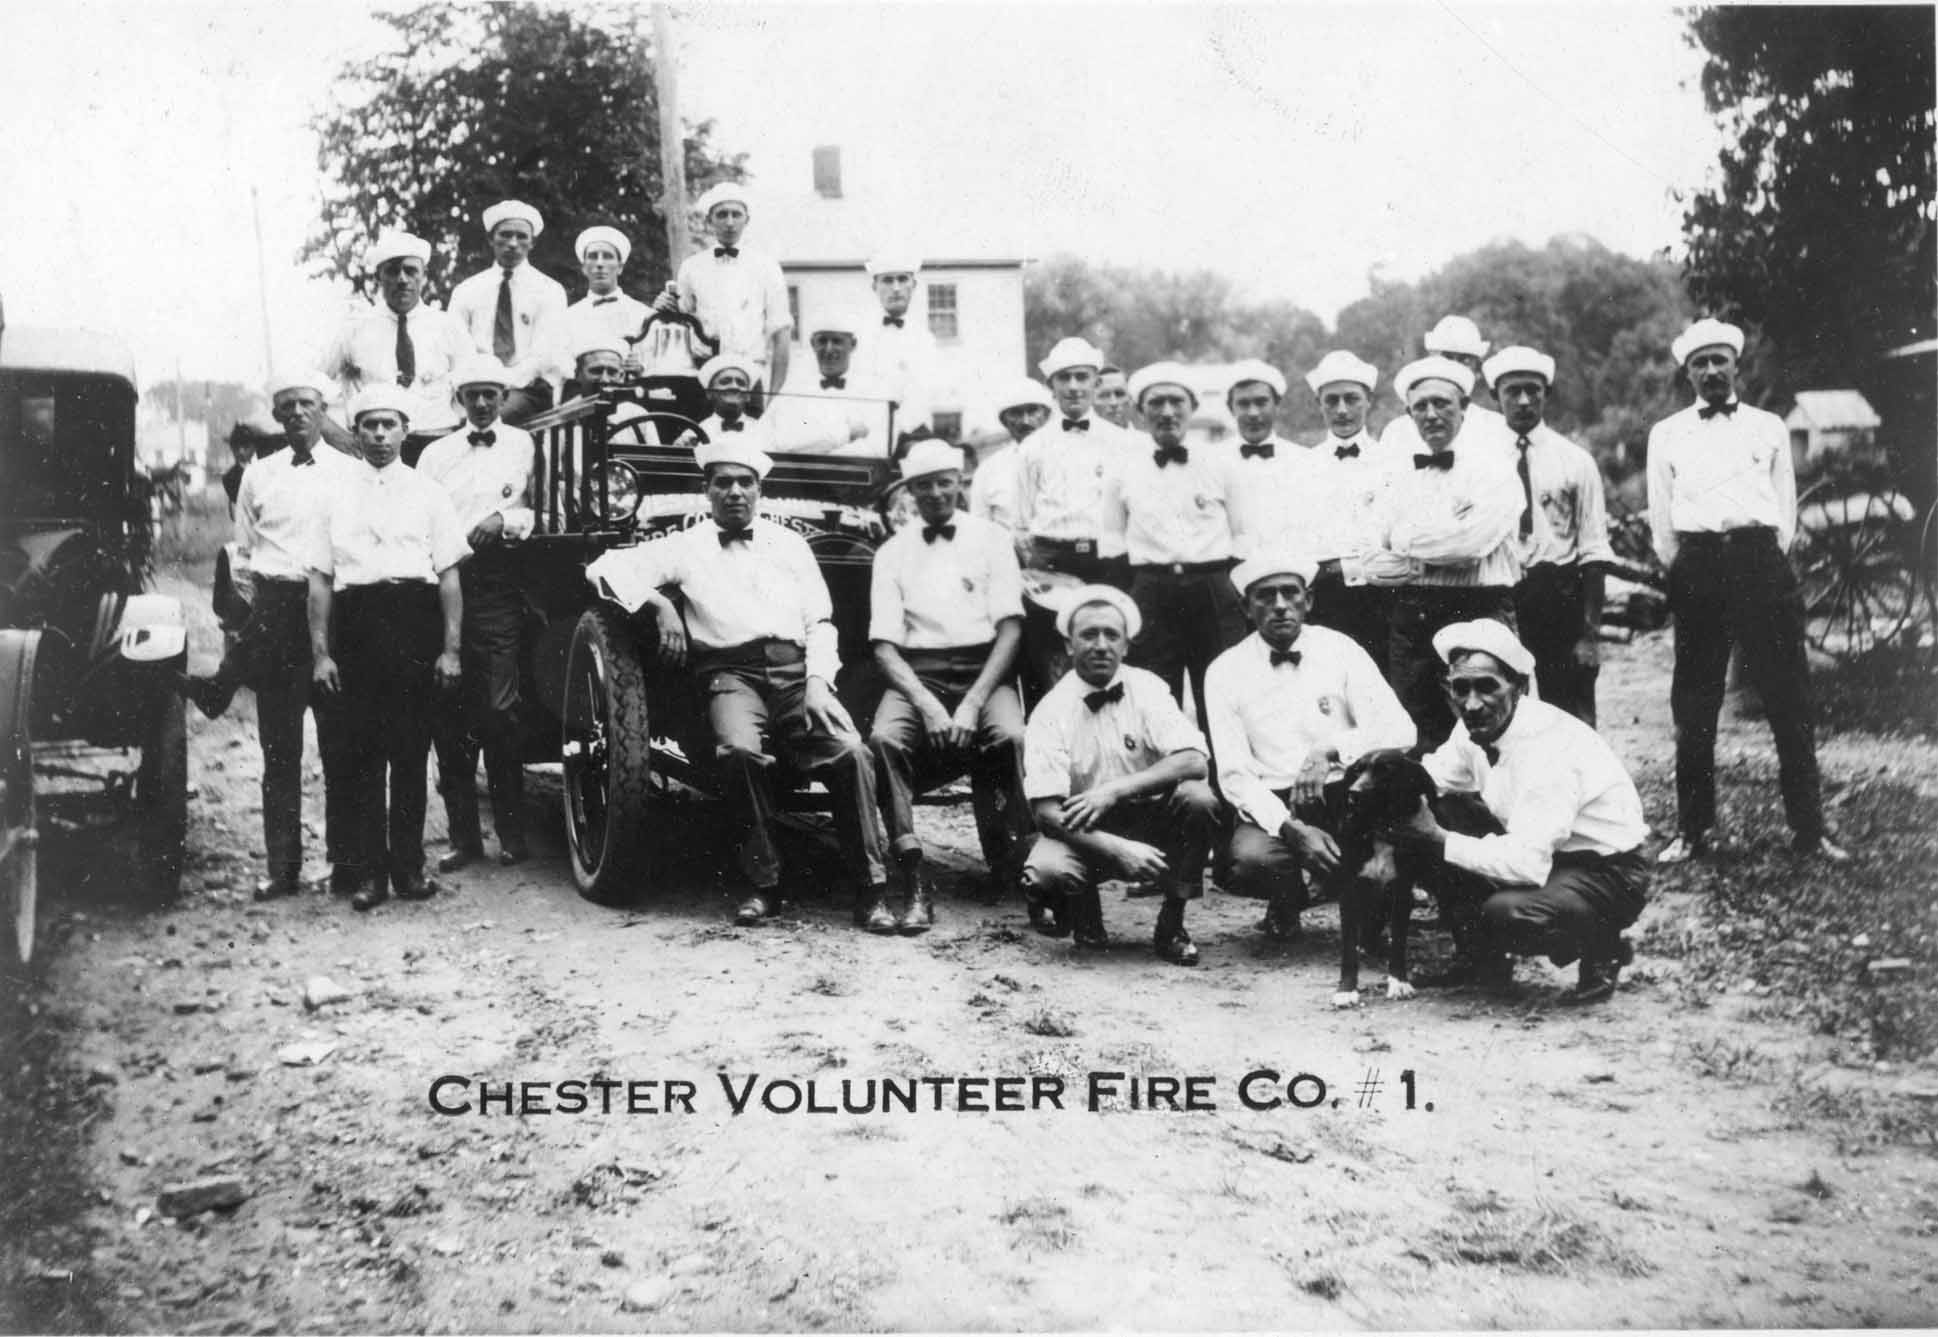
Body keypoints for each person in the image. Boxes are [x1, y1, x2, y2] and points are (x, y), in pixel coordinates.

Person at [582, 436, 892, 927]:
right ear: (706, 491)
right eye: (723, 483)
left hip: (795, 674)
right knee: (740, 751)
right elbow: (604, 567)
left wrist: (817, 682)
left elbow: (822, 622)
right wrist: (658, 603)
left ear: (759, 490)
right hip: (730, 675)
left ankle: (873, 889)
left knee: (850, 751)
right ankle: (762, 881)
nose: (735, 492)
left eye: (745, 483)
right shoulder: (686, 545)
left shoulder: (790, 545)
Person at [1646, 319, 1849, 865]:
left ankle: (1809, 832)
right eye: (1699, 363)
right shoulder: (1666, 434)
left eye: (1719, 360)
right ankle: (1693, 832)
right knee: (1695, 704)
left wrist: (1758, 557)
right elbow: (1661, 520)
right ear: (1687, 372)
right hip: (1699, 567)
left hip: (1761, 563)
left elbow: (1785, 511)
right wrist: (1691, 568)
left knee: (1790, 700)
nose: (1711, 371)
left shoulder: (1768, 428)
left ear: (1736, 366)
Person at [1379, 620, 1651, 1003]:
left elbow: (1527, 864)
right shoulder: (1471, 729)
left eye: (1488, 687)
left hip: (1606, 870)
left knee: (1507, 914)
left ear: (1520, 687)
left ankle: (1601, 942)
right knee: (1431, 809)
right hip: (1547, 854)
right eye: (1461, 688)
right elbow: (1429, 778)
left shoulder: (1547, 749)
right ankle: (1482, 961)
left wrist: (1438, 839)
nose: (1472, 703)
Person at [181, 369, 358, 900]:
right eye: (287, 407)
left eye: (307, 404)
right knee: (280, 752)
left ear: (322, 408)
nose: (298, 414)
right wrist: (253, 616)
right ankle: (282, 869)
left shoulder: (350, 472)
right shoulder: (260, 474)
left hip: (334, 610)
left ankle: (346, 865)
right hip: (277, 604)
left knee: (341, 748)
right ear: (277, 418)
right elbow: (243, 553)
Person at [306, 384, 468, 912]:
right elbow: (321, 582)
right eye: (369, 426)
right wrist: (322, 653)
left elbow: (448, 578)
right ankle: (371, 874)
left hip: (414, 622)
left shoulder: (429, 493)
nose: (379, 435)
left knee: (410, 753)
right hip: (358, 626)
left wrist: (450, 650)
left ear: (406, 430)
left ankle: (408, 869)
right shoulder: (331, 494)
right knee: (364, 758)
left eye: (389, 425)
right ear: (355, 432)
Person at [1205, 549, 1416, 938]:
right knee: (1249, 861)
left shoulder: (1341, 649)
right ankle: (1288, 898)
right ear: (1245, 608)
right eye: (1265, 596)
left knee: (1382, 860)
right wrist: (1290, 829)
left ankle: (1363, 898)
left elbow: (1401, 730)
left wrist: (1330, 749)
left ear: (1310, 600)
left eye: (1290, 593)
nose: (1281, 606)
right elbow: (1235, 776)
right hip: (1277, 803)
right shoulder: (1224, 672)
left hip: (1349, 793)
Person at [867, 440, 1032, 927]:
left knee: (1011, 736)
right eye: (924, 485)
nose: (936, 493)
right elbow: (883, 646)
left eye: (945, 482)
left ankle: (1028, 866)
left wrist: (973, 701)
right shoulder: (893, 551)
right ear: (910, 491)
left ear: (960, 483)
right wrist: (930, 706)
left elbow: (1011, 629)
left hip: (984, 670)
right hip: (917, 673)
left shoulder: (992, 539)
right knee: (883, 740)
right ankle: (912, 872)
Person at [1019, 586, 1218, 964]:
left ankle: (1172, 924)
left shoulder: (1148, 688)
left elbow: (1195, 760)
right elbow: (1046, 814)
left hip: (1150, 818)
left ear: (1126, 646)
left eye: (1112, 635)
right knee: (1046, 871)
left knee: (1199, 799)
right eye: (1088, 635)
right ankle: (1083, 914)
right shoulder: (1050, 711)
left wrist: (1114, 791)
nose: (1100, 645)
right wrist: (1117, 849)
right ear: (1068, 645)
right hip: (1086, 829)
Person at [415, 355, 538, 872]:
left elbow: (539, 506)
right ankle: (465, 840)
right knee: (449, 712)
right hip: (445, 582)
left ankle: (512, 834)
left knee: (501, 711)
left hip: (497, 585)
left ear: (503, 397)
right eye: (473, 395)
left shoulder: (523, 445)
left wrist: (503, 518)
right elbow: (417, 514)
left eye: (491, 393)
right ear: (459, 400)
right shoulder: (435, 455)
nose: (483, 403)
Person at [1369, 356, 1522, 747]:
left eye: (1442, 404)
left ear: (1465, 408)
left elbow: (1471, 546)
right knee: (1416, 730)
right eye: (1421, 406)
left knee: (1492, 725)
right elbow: (1375, 546)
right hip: (1414, 613)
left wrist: (1408, 538)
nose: (1431, 414)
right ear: (1408, 413)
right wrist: (1442, 531)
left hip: (1480, 605)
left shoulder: (1495, 467)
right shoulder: (1395, 471)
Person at [1102, 362, 1250, 728]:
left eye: (1176, 402)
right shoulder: (1122, 467)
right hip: (1151, 591)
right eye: (1156, 403)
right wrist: (1132, 596)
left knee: (1221, 690)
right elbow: (1111, 540)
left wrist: (1232, 592)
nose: (1167, 412)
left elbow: (1244, 535)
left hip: (1213, 589)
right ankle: (1163, 783)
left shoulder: (1222, 463)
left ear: (1193, 406)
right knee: (1153, 692)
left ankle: (1223, 781)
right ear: (1140, 410)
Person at [1483, 345, 1614, 725]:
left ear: (1546, 393)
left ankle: (1580, 784)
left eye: (1533, 390)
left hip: (1559, 595)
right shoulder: (1482, 462)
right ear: (1496, 396)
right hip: (1502, 593)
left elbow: (1593, 550)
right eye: (1513, 391)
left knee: (1570, 712)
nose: (1524, 401)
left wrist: (1590, 634)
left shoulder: (1575, 460)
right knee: (1501, 709)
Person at [317, 230, 471, 464]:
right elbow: (311, 385)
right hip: (375, 450)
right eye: (392, 271)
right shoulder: (355, 328)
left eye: (410, 271)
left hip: (439, 445)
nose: (402, 279)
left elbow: (472, 384)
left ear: (424, 275)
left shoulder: (448, 326)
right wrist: (337, 436)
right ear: (379, 276)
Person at [1291, 350, 1393, 671]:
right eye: (1331, 401)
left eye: (1352, 399)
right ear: (1318, 404)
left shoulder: (1392, 461)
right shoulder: (1303, 466)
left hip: (1381, 597)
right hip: (1324, 598)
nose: (1342, 410)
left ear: (1369, 401)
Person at [659, 182, 792, 399]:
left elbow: (782, 333)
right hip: (703, 375)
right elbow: (678, 321)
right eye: (722, 215)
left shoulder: (766, 266)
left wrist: (774, 396)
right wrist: (664, 307)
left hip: (750, 374)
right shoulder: (692, 267)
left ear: (746, 220)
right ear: (709, 220)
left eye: (736, 214)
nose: (729, 222)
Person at [448, 200, 568, 425]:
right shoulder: (467, 290)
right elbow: (458, 348)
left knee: (489, 420)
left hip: (527, 388)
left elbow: (544, 354)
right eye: (505, 234)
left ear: (532, 242)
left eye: (522, 236)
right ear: (490, 239)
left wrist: (501, 382)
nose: (513, 243)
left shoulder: (549, 291)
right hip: (475, 386)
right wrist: (480, 381)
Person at [1379, 314, 1508, 461]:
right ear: (1431, 359)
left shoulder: (1495, 427)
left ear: (1477, 370)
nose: (1454, 367)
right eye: (1447, 357)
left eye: (1465, 360)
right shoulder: (1397, 431)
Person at [765, 308, 887, 456]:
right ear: (812, 344)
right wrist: (846, 433)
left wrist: (816, 446)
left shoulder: (872, 391)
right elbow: (779, 442)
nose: (829, 349)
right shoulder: (794, 390)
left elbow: (879, 447)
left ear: (853, 344)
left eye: (837, 341)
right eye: (822, 341)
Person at [855, 251, 938, 445]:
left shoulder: (924, 339)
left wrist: (895, 434)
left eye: (902, 279)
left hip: (910, 436)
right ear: (874, 286)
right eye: (887, 281)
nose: (896, 288)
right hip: (865, 434)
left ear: (914, 285)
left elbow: (920, 398)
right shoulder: (859, 335)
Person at [968, 376, 1054, 535]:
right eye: (1016, 413)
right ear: (1004, 421)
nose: (1025, 420)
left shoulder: (1067, 457)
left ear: (1047, 415)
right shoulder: (988, 470)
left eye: (1033, 410)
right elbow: (979, 531)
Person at [561, 226, 651, 379]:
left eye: (608, 256)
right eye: (593, 256)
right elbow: (561, 366)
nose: (600, 263)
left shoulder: (643, 315)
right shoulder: (568, 317)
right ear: (583, 268)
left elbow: (656, 365)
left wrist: (642, 367)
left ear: (620, 267)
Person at [1092, 364, 1132, 428]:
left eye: (1119, 394)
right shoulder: (1077, 437)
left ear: (1131, 400)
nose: (1114, 403)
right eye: (1104, 395)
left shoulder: (1146, 438)